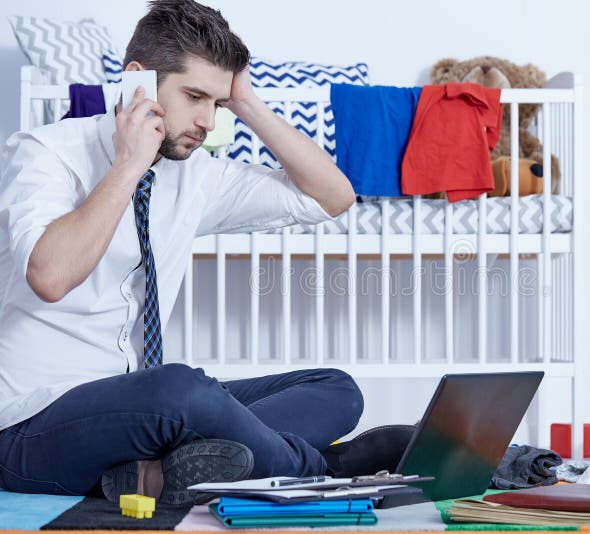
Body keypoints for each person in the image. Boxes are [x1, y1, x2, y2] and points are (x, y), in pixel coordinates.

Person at [0, 0, 365, 505]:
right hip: (29, 426)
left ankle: (167, 469)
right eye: (195, 96)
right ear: (137, 84)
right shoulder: (44, 152)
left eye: (216, 103)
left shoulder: (197, 175)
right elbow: (51, 276)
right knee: (179, 392)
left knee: (335, 388)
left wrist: (247, 104)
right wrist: (130, 165)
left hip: (140, 423)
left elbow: (333, 197)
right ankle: (318, 469)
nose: (207, 122)